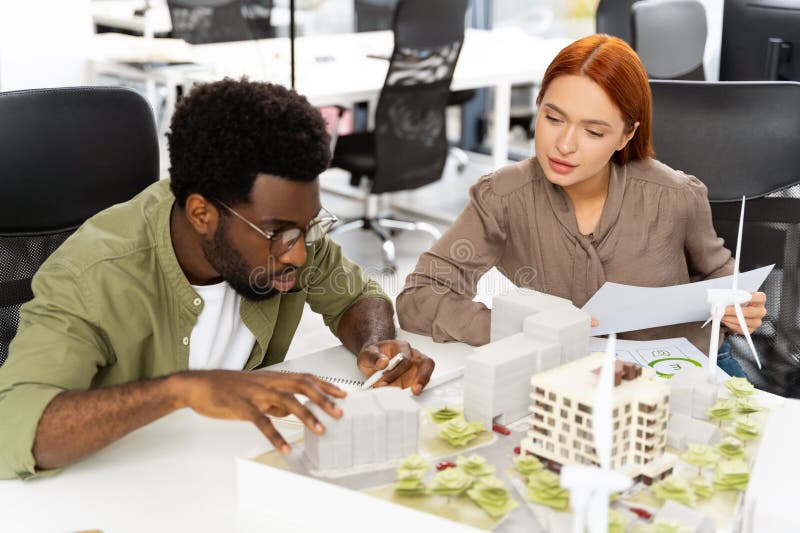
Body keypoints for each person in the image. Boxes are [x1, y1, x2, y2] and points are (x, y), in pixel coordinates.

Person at [0, 79, 433, 479]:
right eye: (280, 233)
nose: (299, 252)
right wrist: (180, 391)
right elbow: (14, 428)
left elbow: (356, 297)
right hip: (122, 488)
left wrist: (376, 346)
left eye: (309, 226)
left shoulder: (290, 233)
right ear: (201, 215)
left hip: (230, 471)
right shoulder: (91, 274)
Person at [397, 34, 766, 374]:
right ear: (538, 107)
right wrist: (523, 329)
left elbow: (718, 271)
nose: (565, 144)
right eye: (553, 118)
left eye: (593, 131)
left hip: (683, 374)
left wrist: (738, 303)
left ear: (626, 135)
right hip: (569, 378)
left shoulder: (675, 195)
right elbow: (419, 297)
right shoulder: (503, 197)